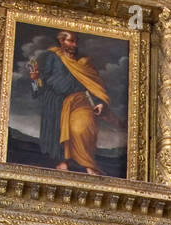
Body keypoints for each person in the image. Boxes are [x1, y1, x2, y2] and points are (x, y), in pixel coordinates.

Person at [29, 29, 111, 174]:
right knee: (57, 131)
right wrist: (35, 80)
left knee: (83, 128)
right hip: (55, 101)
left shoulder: (83, 63)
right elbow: (42, 82)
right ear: (62, 41)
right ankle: (62, 163)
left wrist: (99, 101)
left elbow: (93, 83)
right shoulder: (51, 57)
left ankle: (89, 165)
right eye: (70, 41)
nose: (74, 44)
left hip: (80, 101)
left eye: (75, 41)